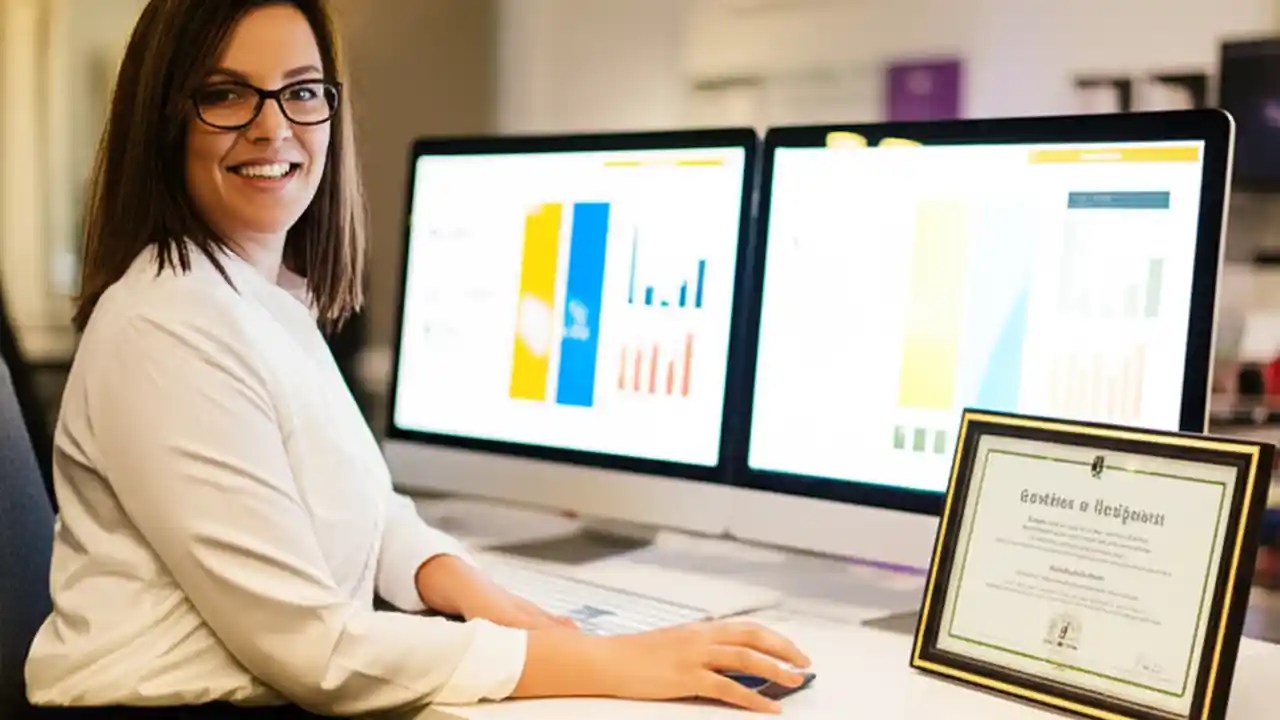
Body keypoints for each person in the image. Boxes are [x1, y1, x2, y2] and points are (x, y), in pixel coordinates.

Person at [23, 1, 810, 718]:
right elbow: (319, 653)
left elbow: (362, 506)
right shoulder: (168, 326)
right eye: (226, 93)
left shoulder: (254, 299)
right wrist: (605, 661)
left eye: (302, 91)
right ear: (165, 121)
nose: (274, 128)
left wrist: (483, 594)